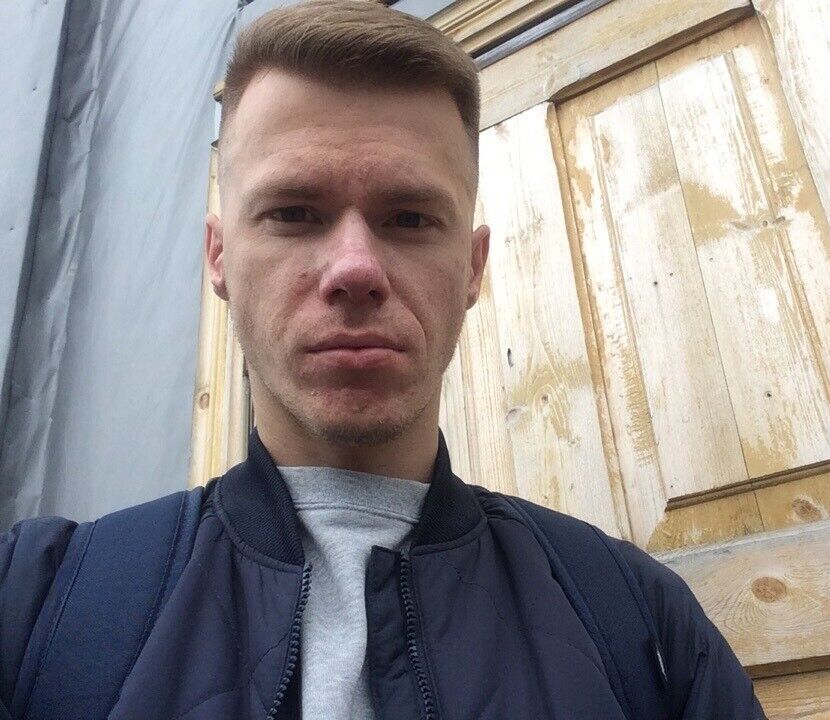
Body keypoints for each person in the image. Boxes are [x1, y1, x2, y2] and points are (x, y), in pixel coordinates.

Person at [0, 1, 765, 718]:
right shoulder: (32, 604)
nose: (356, 268)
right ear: (219, 255)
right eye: (294, 212)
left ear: (472, 268)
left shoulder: (642, 622)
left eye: (409, 218)